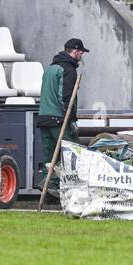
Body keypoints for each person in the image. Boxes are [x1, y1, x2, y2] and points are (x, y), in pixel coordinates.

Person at [38, 38, 89, 168]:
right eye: (81, 53)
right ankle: (60, 184)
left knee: (50, 158)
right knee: (73, 153)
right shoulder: (68, 69)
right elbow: (66, 97)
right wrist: (71, 119)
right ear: (76, 51)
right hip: (58, 119)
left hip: (44, 118)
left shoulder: (50, 68)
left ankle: (47, 185)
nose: (81, 56)